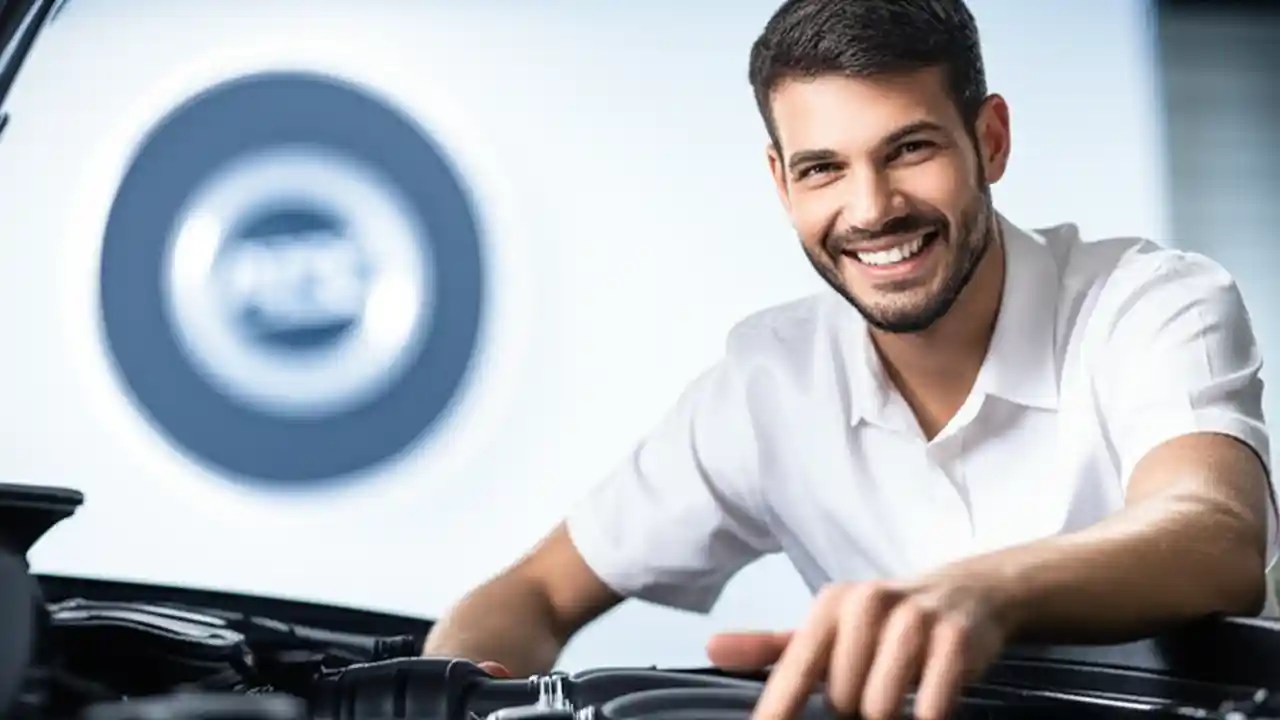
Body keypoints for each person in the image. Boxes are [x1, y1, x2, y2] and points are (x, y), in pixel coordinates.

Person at [422, 1, 1279, 718]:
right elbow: (529, 598)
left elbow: (1215, 534)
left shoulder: (1150, 302)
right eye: (823, 168)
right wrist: (442, 694)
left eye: (910, 149)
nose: (871, 209)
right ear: (781, 181)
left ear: (991, 140)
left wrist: (982, 593)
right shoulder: (769, 383)